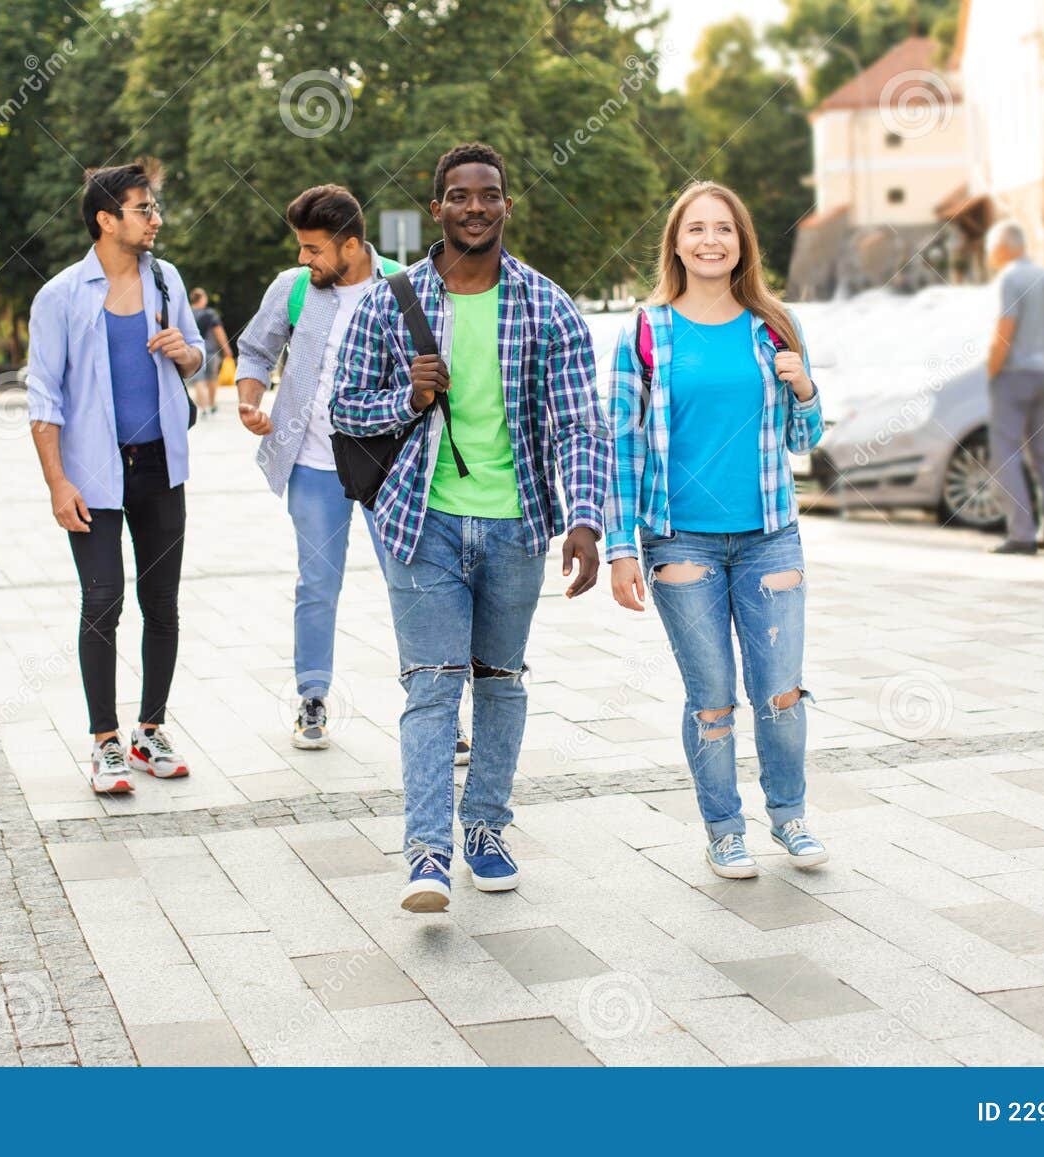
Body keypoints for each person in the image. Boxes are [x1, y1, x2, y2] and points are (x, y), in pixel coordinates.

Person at [331, 143, 610, 913]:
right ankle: (427, 852)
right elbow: (344, 406)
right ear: (438, 208)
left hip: (517, 525)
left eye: (489, 194)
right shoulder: (389, 302)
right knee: (431, 684)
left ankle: (486, 828)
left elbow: (579, 423)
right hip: (422, 523)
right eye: (459, 195)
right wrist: (407, 398)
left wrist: (585, 519)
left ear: (507, 206)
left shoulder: (546, 304)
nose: (475, 207)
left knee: (500, 681)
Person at [604, 181, 829, 880]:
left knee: (781, 692)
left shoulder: (774, 325)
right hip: (681, 541)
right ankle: (725, 831)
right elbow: (622, 446)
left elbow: (803, 440)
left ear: (742, 242)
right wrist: (620, 547)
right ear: (676, 243)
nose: (711, 240)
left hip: (770, 535)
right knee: (712, 700)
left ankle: (789, 816)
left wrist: (804, 389)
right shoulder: (646, 333)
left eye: (724, 229)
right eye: (696, 229)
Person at [234, 185, 471, 760]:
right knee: (317, 584)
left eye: (313, 249)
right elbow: (255, 350)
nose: (303, 259)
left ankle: (438, 710)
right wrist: (248, 401)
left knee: (413, 586)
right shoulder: (293, 289)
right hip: (313, 463)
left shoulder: (405, 286)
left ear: (351, 244)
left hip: (389, 464)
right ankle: (313, 698)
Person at [25, 159, 202, 795]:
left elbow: (195, 357)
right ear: (106, 219)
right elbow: (43, 397)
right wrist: (57, 482)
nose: (156, 219)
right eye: (143, 209)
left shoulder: (166, 280)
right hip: (92, 472)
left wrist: (187, 353)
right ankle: (105, 741)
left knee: (162, 603)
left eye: (155, 208)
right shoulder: (60, 296)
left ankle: (150, 729)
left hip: (160, 464)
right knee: (102, 603)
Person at [984, 220, 1044, 555]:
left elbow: (1005, 328)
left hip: (1014, 374)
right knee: (1042, 454)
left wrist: (991, 370)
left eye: (990, 248)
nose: (989, 255)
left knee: (1005, 453)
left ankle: (1022, 534)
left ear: (1003, 247)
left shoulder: (1010, 278)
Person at [188, 287, 232, 416]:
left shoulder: (187, 313)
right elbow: (219, 332)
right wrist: (226, 349)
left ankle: (203, 407)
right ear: (202, 299)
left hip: (193, 350)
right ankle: (212, 404)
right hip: (211, 351)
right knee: (212, 378)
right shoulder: (210, 314)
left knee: (198, 380)